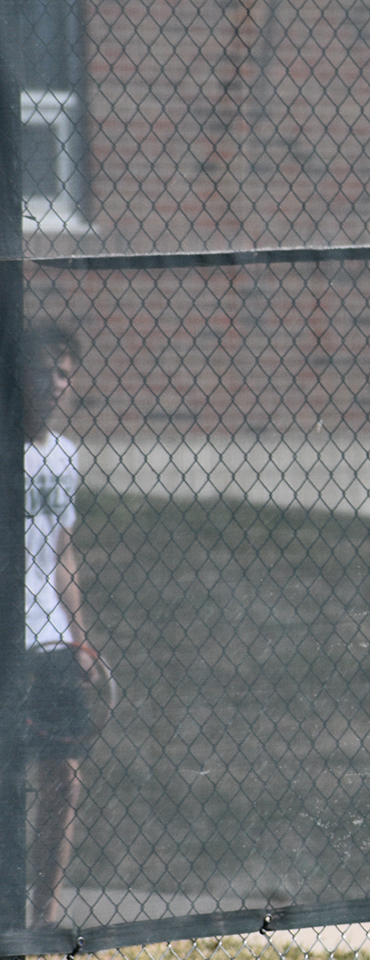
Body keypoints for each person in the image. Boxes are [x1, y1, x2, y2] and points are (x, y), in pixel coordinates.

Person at [21, 323, 96, 927]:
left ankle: (42, 919)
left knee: (63, 780)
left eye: (64, 372)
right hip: (7, 643)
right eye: (43, 370)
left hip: (50, 641)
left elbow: (61, 551)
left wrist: (79, 634)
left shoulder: (65, 456)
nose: (54, 383)